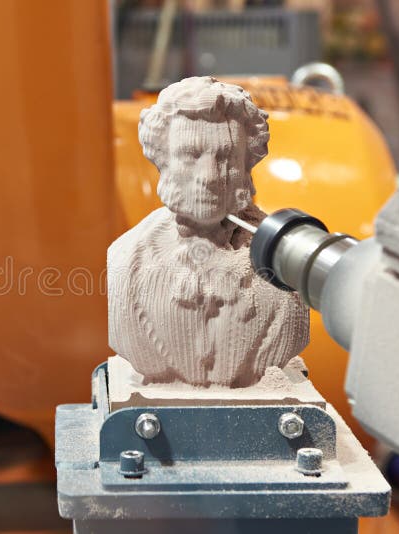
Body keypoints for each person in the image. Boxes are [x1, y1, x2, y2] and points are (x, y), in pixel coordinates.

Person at [107, 77, 309, 387]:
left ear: (246, 165)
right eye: (191, 155)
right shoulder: (126, 265)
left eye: (226, 158)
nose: (210, 177)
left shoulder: (285, 266)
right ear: (163, 159)